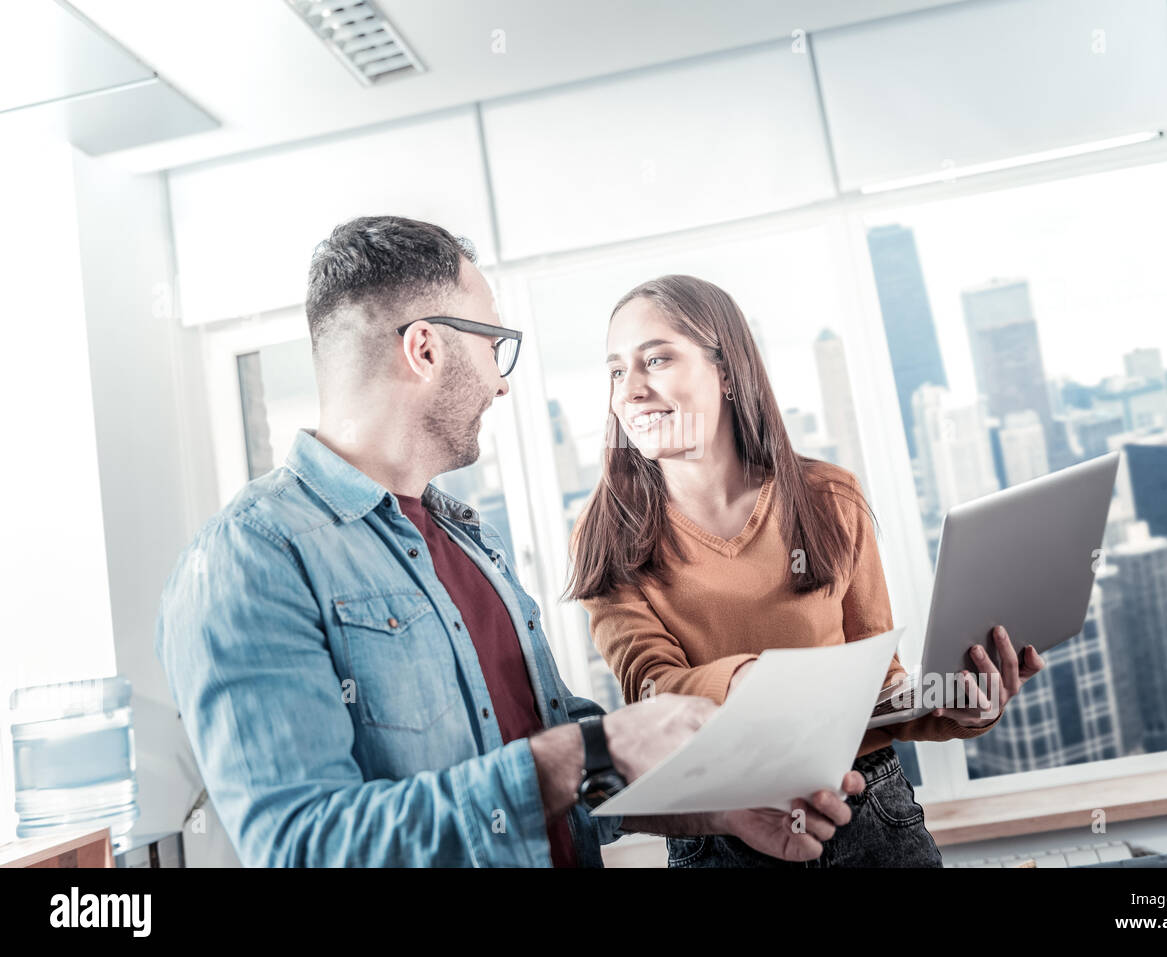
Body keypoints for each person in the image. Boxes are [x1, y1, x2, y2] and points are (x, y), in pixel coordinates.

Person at [154, 217, 869, 867]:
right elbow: (305, 847)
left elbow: (561, 774)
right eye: (494, 344)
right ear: (425, 348)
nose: (502, 383)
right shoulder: (251, 559)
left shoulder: (472, 542)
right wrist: (593, 746)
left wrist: (715, 805)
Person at [565, 274, 1047, 868]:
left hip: (869, 810)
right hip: (722, 831)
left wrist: (960, 708)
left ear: (727, 371)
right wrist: (753, 684)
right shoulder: (608, 536)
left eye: (656, 359)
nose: (629, 391)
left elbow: (880, 686)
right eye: (616, 371)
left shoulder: (829, 498)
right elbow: (649, 687)